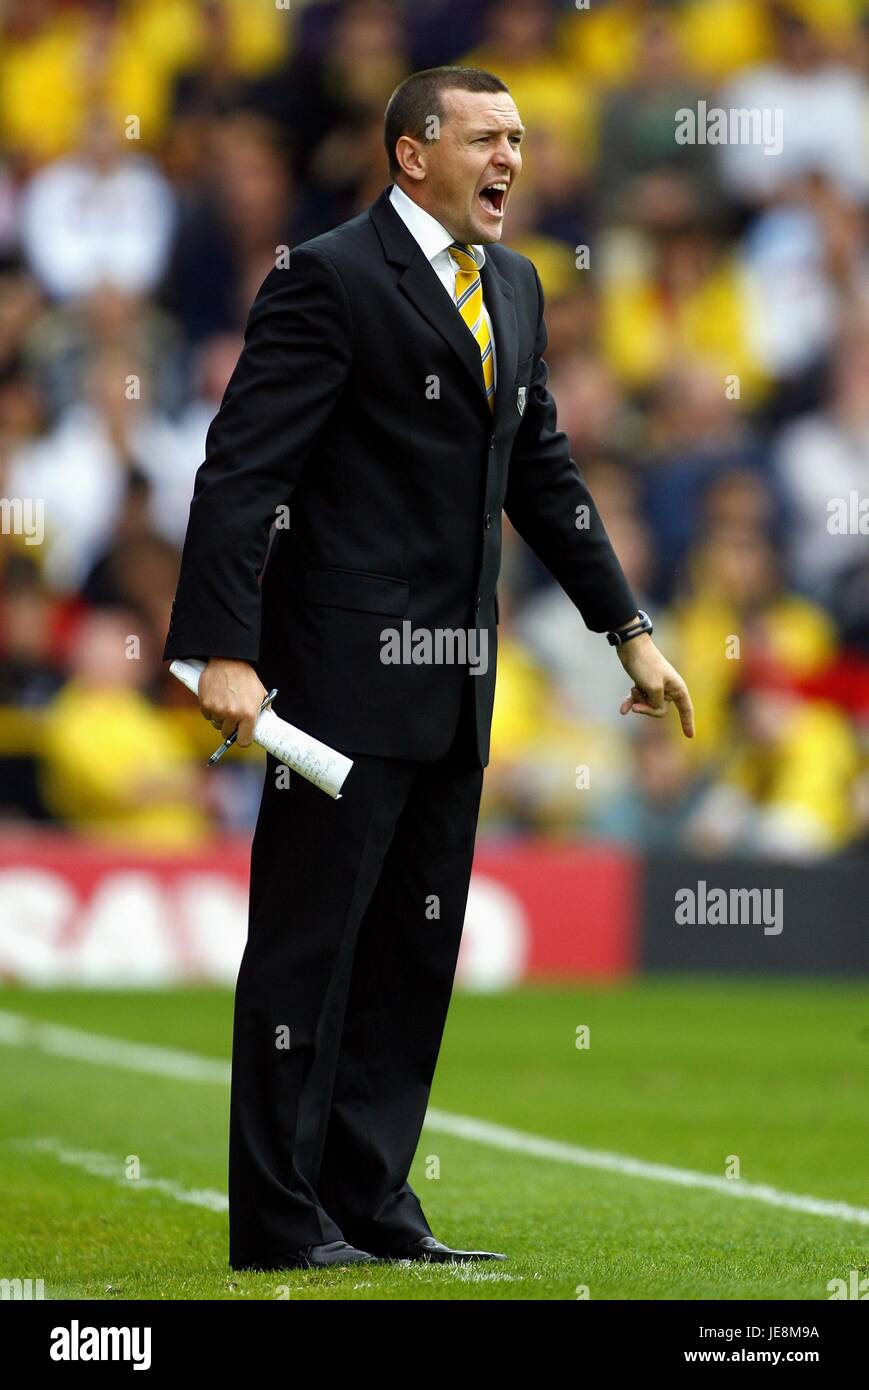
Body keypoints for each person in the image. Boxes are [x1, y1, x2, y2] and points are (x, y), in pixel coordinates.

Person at [163, 66, 694, 1272]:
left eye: (520, 137)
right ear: (414, 153)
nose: (514, 158)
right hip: (336, 686)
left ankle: (373, 1207)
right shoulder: (327, 277)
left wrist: (630, 630)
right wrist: (225, 649)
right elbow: (242, 474)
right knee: (309, 954)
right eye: (488, 138)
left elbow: (543, 476)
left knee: (410, 963)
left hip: (456, 684)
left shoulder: (514, 283)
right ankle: (281, 1223)